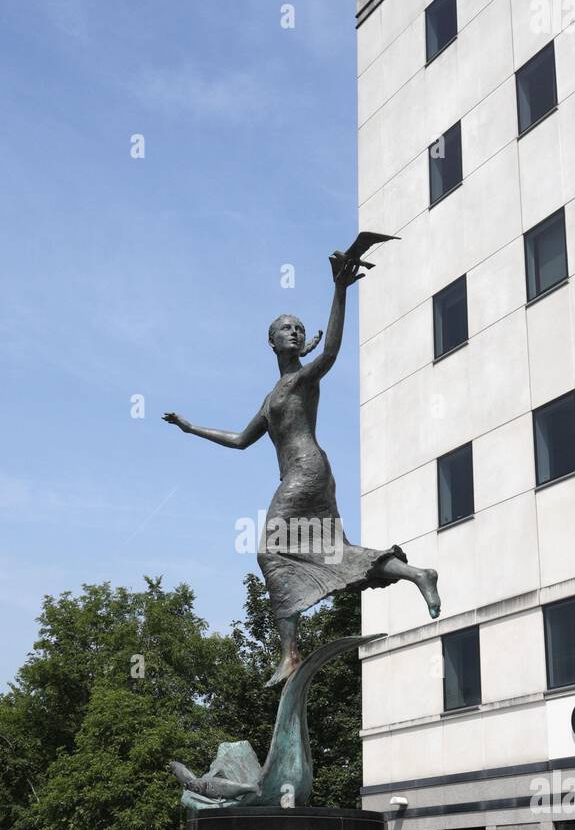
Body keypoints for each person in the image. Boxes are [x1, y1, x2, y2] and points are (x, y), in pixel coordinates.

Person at [164, 246, 441, 687]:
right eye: (284, 329)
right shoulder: (273, 395)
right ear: (270, 341)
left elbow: (330, 353)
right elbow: (239, 441)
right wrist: (190, 427)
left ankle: (290, 654)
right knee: (334, 553)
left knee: (269, 550)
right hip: (310, 476)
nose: (292, 332)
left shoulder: (302, 379)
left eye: (297, 328)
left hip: (306, 471)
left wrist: (340, 290)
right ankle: (415, 573)